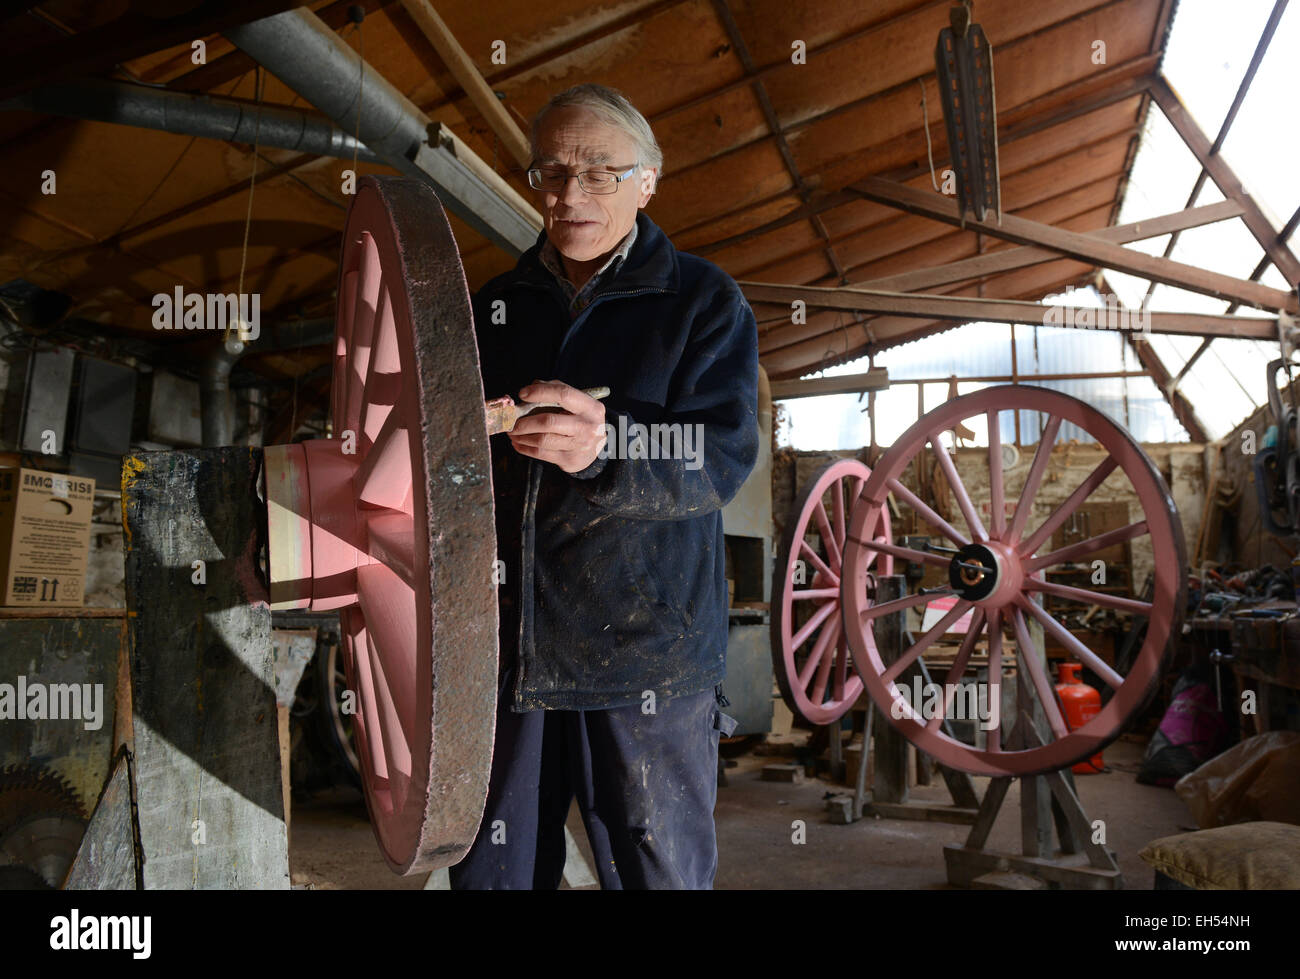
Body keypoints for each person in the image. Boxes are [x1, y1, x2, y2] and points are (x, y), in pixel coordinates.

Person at [449, 83, 758, 890]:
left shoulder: (700, 302)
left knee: (656, 872)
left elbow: (719, 454)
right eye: (551, 174)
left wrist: (607, 446)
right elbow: (444, 458)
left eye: (599, 173)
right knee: (494, 875)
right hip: (512, 651)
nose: (570, 195)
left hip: (644, 656)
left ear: (648, 180)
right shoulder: (496, 309)